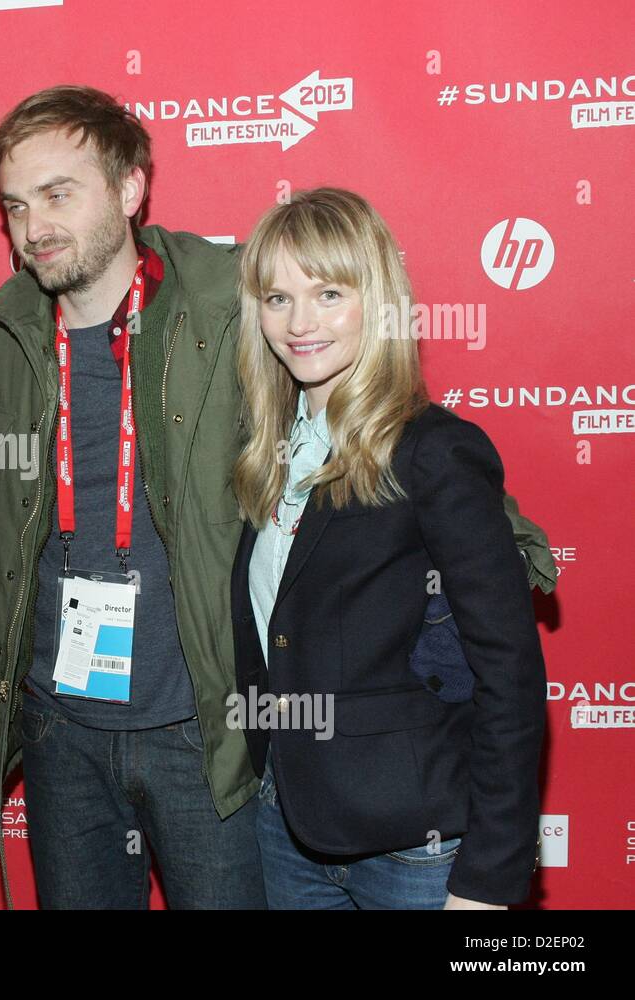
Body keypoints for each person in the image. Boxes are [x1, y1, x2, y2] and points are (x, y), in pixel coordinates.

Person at [0, 86, 556, 909]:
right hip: (62, 731)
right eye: (16, 205)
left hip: (207, 734)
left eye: (60, 196)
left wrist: (488, 570)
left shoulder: (224, 303)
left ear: (130, 190)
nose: (36, 228)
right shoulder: (4, 341)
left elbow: (416, 459)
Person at [229, 187, 548, 909]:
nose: (299, 322)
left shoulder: (435, 453)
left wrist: (489, 878)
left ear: (376, 302)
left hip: (418, 851)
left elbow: (511, 672)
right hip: (288, 826)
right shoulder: (272, 457)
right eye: (277, 299)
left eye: (328, 292)